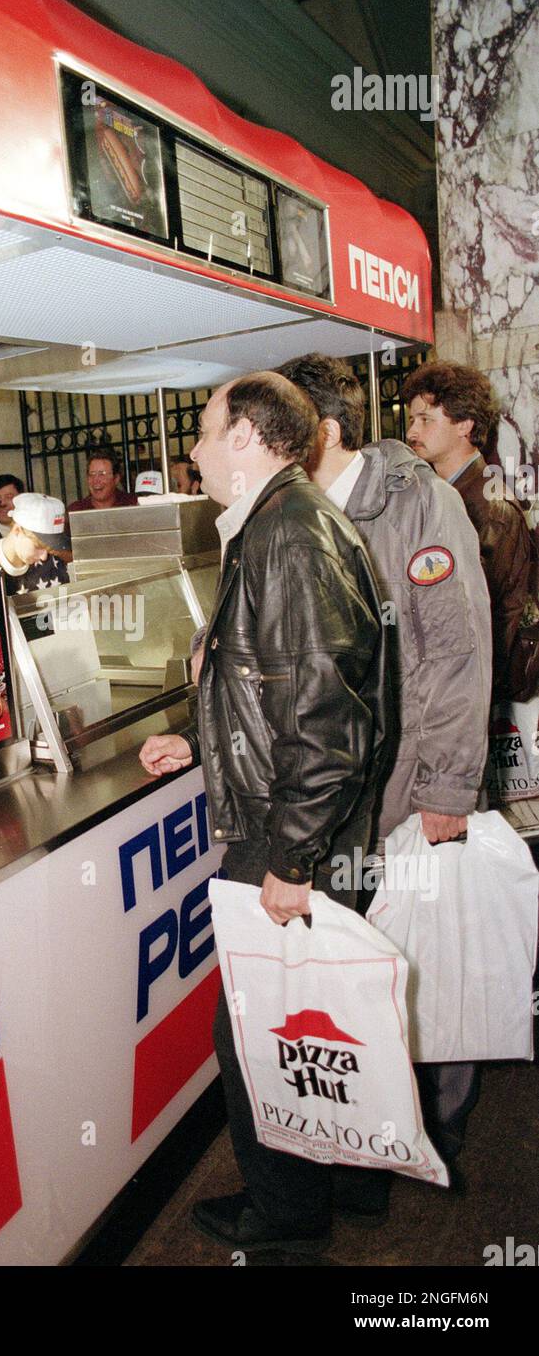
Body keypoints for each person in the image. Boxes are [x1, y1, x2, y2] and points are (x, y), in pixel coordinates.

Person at [139, 372, 392, 1254]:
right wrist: (202, 742)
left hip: (284, 843)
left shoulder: (287, 535)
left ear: (247, 436)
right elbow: (274, 688)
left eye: (206, 433)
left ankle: (284, 1224)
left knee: (255, 1035)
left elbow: (327, 723)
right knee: (307, 1021)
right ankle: (346, 1188)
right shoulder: (283, 522)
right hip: (297, 830)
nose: (196, 451)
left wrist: (290, 861)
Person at [279, 353, 493, 1188]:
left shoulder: (415, 504)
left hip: (407, 787)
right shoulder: (290, 513)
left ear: (321, 432)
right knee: (360, 970)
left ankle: (438, 1130)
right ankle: (368, 1147)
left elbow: (457, 650)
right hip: (339, 797)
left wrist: (446, 786)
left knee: (423, 961)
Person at [403, 361, 533, 705]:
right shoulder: (436, 494)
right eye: (412, 419)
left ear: (465, 425)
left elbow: (500, 614)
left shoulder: (491, 507)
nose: (413, 431)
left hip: (476, 692)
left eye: (426, 420)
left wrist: (472, 695)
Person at [0, 493, 71, 594]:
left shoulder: (53, 563)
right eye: (38, 546)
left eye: (50, 548)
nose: (44, 557)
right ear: (17, 530)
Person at [67, 447, 137, 513]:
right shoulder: (76, 510)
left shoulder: (132, 505)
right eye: (92, 474)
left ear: (116, 479)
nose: (96, 480)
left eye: (102, 474)